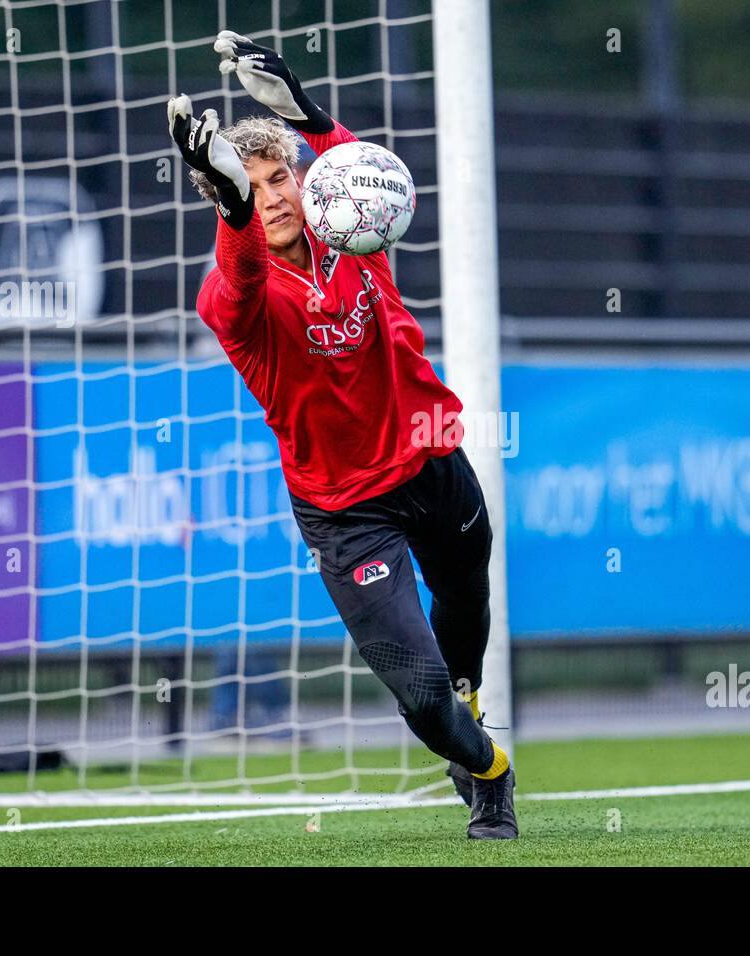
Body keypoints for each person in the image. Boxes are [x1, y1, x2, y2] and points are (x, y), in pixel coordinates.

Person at [166, 32, 516, 839]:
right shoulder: (230, 299)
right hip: (345, 505)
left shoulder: (353, 231)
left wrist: (310, 114)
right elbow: (245, 265)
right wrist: (234, 210)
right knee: (421, 699)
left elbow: (363, 171)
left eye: (279, 174)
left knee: (468, 594)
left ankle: (468, 698)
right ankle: (489, 771)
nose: (275, 195)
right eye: (252, 185)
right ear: (230, 198)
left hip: (430, 453)